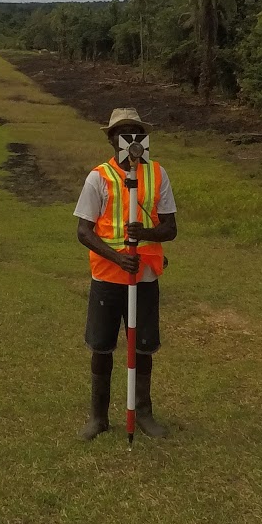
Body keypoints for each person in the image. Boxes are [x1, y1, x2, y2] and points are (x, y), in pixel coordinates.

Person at [73, 108, 178, 440]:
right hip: (108, 276)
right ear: (111, 138)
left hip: (144, 276)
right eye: (123, 132)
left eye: (136, 131)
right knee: (102, 347)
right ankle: (98, 417)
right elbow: (84, 231)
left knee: (142, 347)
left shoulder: (157, 174)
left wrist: (144, 233)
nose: (130, 138)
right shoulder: (98, 177)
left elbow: (171, 229)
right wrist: (118, 257)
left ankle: (143, 412)